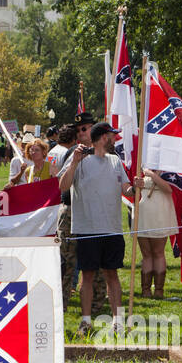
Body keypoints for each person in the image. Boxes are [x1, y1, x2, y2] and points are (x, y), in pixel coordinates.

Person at [59, 120, 135, 335]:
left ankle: (118, 321)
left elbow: (125, 188)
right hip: (87, 227)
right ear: (104, 137)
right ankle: (85, 321)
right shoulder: (80, 158)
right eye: (113, 135)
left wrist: (134, 187)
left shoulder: (115, 161)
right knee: (88, 275)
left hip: (112, 227)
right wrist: (73, 163)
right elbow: (62, 186)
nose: (115, 139)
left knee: (113, 274)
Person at [57, 112, 95, 304]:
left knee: (93, 261)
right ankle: (62, 301)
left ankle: (93, 303)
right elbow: (62, 184)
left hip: (94, 213)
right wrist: (75, 161)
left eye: (84, 129)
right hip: (71, 210)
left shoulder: (106, 152)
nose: (80, 133)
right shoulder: (72, 152)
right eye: (77, 130)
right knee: (66, 260)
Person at [134, 169, 176, 298]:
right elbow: (134, 191)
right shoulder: (142, 167)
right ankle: (145, 290)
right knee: (146, 254)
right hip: (143, 213)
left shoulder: (167, 168)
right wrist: (137, 183)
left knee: (158, 253)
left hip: (160, 212)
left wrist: (152, 175)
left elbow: (169, 189)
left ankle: (159, 291)